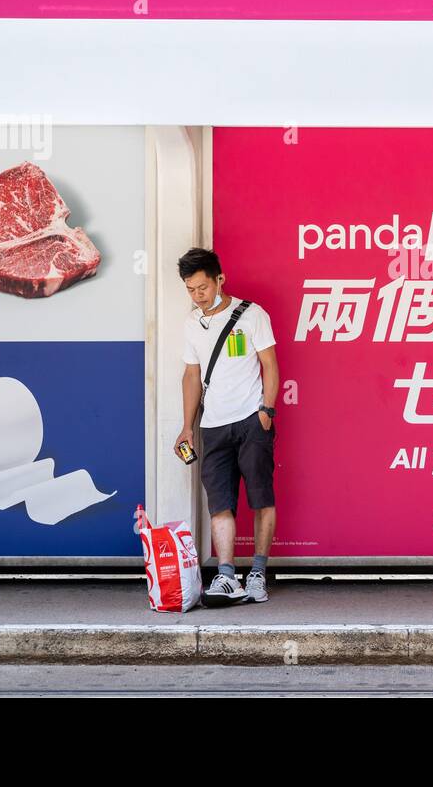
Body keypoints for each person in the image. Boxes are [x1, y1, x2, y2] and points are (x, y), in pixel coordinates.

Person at [175, 247, 279, 605]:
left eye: (202, 287)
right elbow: (191, 375)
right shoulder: (192, 324)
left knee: (261, 496)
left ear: (220, 279)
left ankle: (258, 574)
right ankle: (226, 575)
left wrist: (266, 409)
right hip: (213, 425)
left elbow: (270, 364)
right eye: (190, 289)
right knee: (220, 502)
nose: (197, 295)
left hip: (252, 419)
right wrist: (187, 426)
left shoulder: (252, 315)